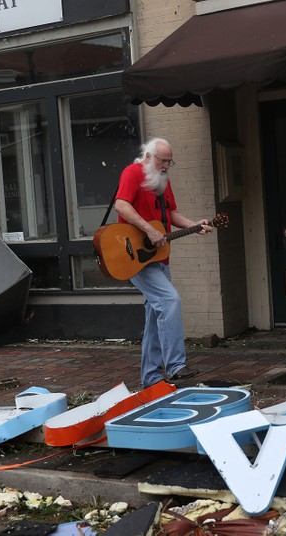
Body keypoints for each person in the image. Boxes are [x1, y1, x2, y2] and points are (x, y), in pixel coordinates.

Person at [113, 137, 213, 388]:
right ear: (148, 156)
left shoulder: (162, 181)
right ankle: (176, 365)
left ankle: (152, 380)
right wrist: (149, 230)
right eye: (163, 160)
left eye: (170, 161)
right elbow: (121, 205)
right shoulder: (132, 173)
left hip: (159, 258)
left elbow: (171, 214)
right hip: (134, 257)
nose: (167, 166)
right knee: (170, 301)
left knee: (156, 319)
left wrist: (194, 225)